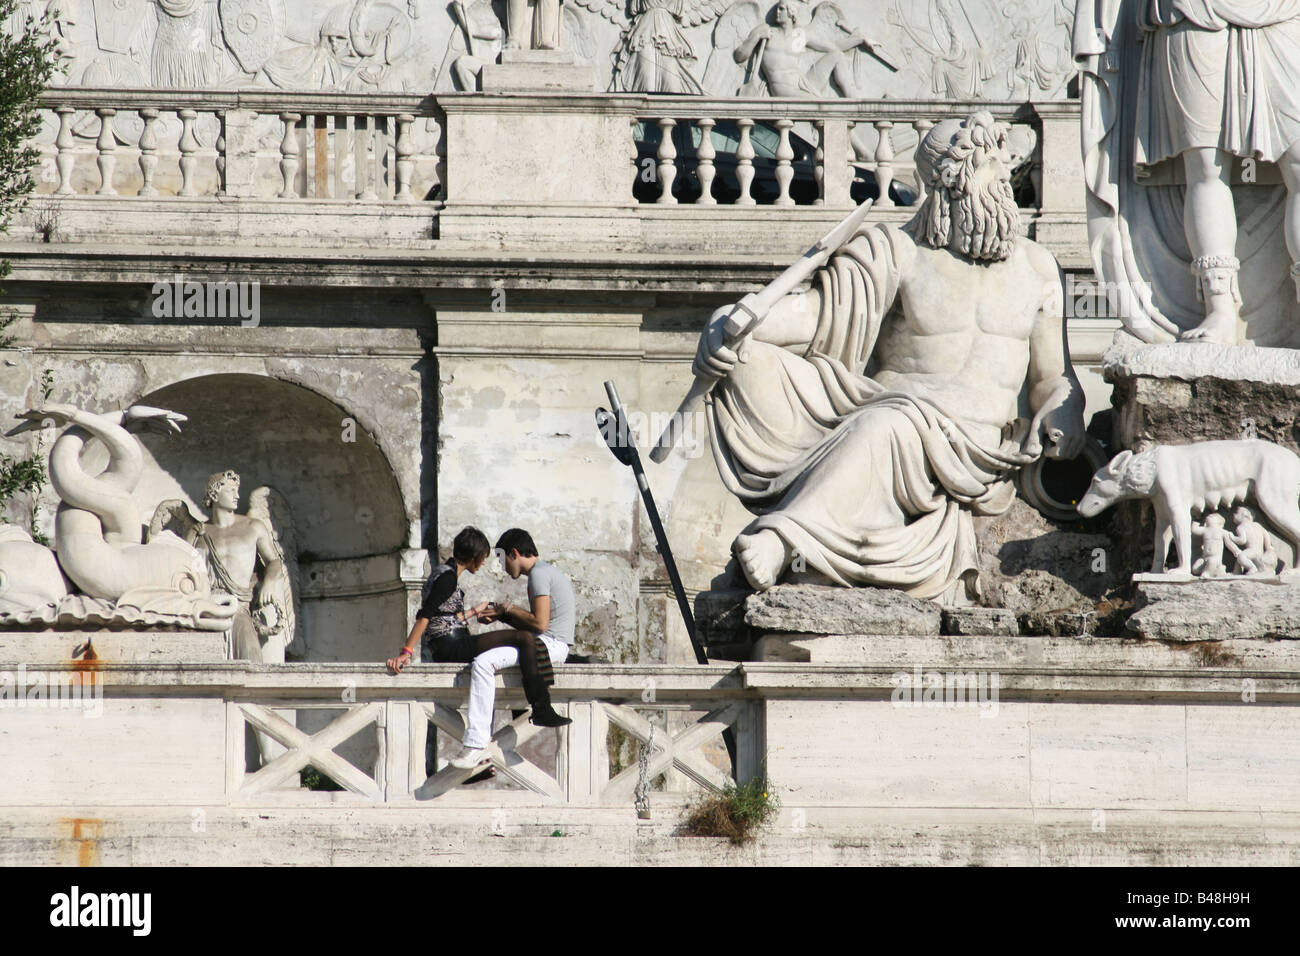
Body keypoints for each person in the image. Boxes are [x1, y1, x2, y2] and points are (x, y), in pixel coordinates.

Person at [692, 112, 1086, 600]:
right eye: (991, 168)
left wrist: (1064, 411)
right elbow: (815, 318)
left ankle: (786, 537)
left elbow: (1054, 377)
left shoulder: (1037, 266)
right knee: (749, 360)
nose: (1006, 177)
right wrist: (734, 324)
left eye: (1004, 168)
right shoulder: (897, 252)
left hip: (978, 449)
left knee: (886, 426)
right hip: (884, 415)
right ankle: (808, 532)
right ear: (950, 181)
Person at [387, 527, 573, 770]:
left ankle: (520, 721)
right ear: (474, 556)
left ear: (514, 553)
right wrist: (407, 652)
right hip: (452, 645)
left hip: (538, 643)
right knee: (516, 644)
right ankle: (532, 713)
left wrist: (495, 611)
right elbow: (427, 615)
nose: (496, 566)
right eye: (486, 558)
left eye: (500, 558)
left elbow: (539, 624)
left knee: (513, 646)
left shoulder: (445, 573)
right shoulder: (448, 577)